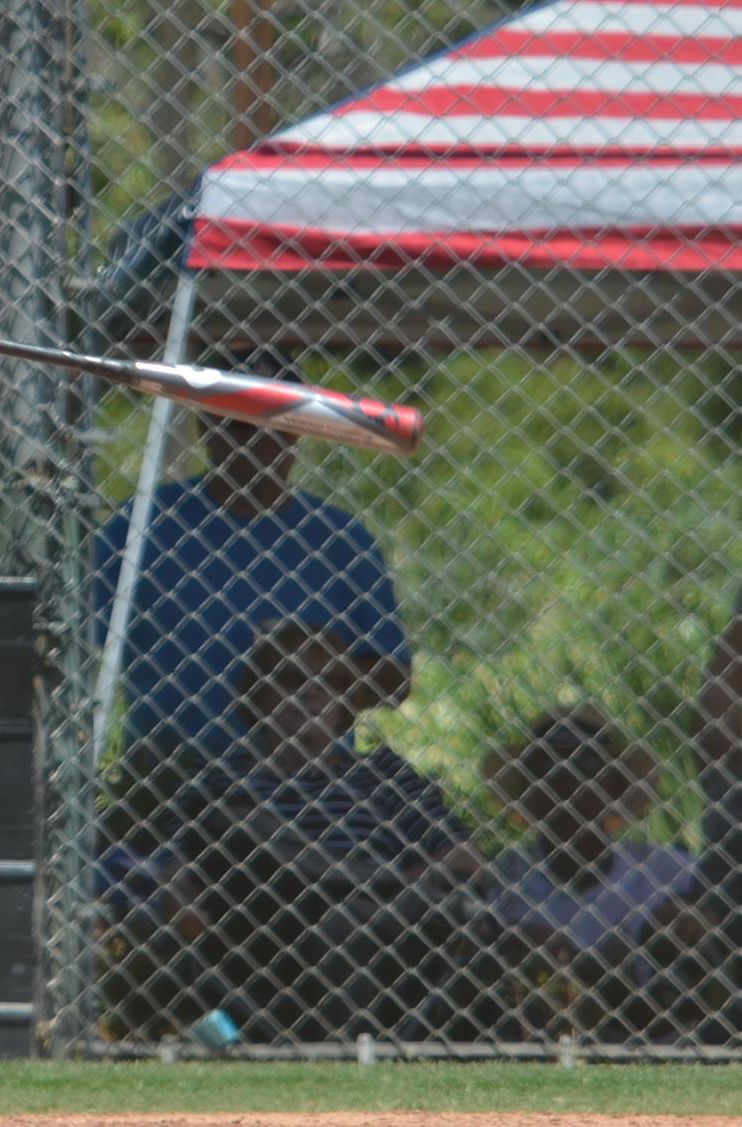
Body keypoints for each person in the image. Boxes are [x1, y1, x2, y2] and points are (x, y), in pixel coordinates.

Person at [94, 347, 413, 829]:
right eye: (243, 427)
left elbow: (394, 678)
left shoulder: (340, 541)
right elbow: (77, 648)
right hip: (168, 784)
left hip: (303, 789)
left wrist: (312, 683)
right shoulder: (141, 527)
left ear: (301, 433)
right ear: (208, 426)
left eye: (279, 430)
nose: (261, 447)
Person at [155, 618, 478, 1041]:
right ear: (260, 696)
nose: (310, 693)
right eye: (291, 679)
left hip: (379, 922)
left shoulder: (380, 774)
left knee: (344, 919)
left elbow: (465, 857)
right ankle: (354, 882)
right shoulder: (221, 776)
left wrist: (411, 882)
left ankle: (349, 889)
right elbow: (176, 862)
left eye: (329, 682)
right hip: (266, 925)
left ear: (344, 703)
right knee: (226, 820)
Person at [460, 707, 700, 1040]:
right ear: (530, 790)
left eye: (586, 767)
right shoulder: (507, 877)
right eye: (549, 771)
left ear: (615, 785)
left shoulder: (665, 869)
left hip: (672, 1035)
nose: (569, 783)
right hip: (552, 1038)